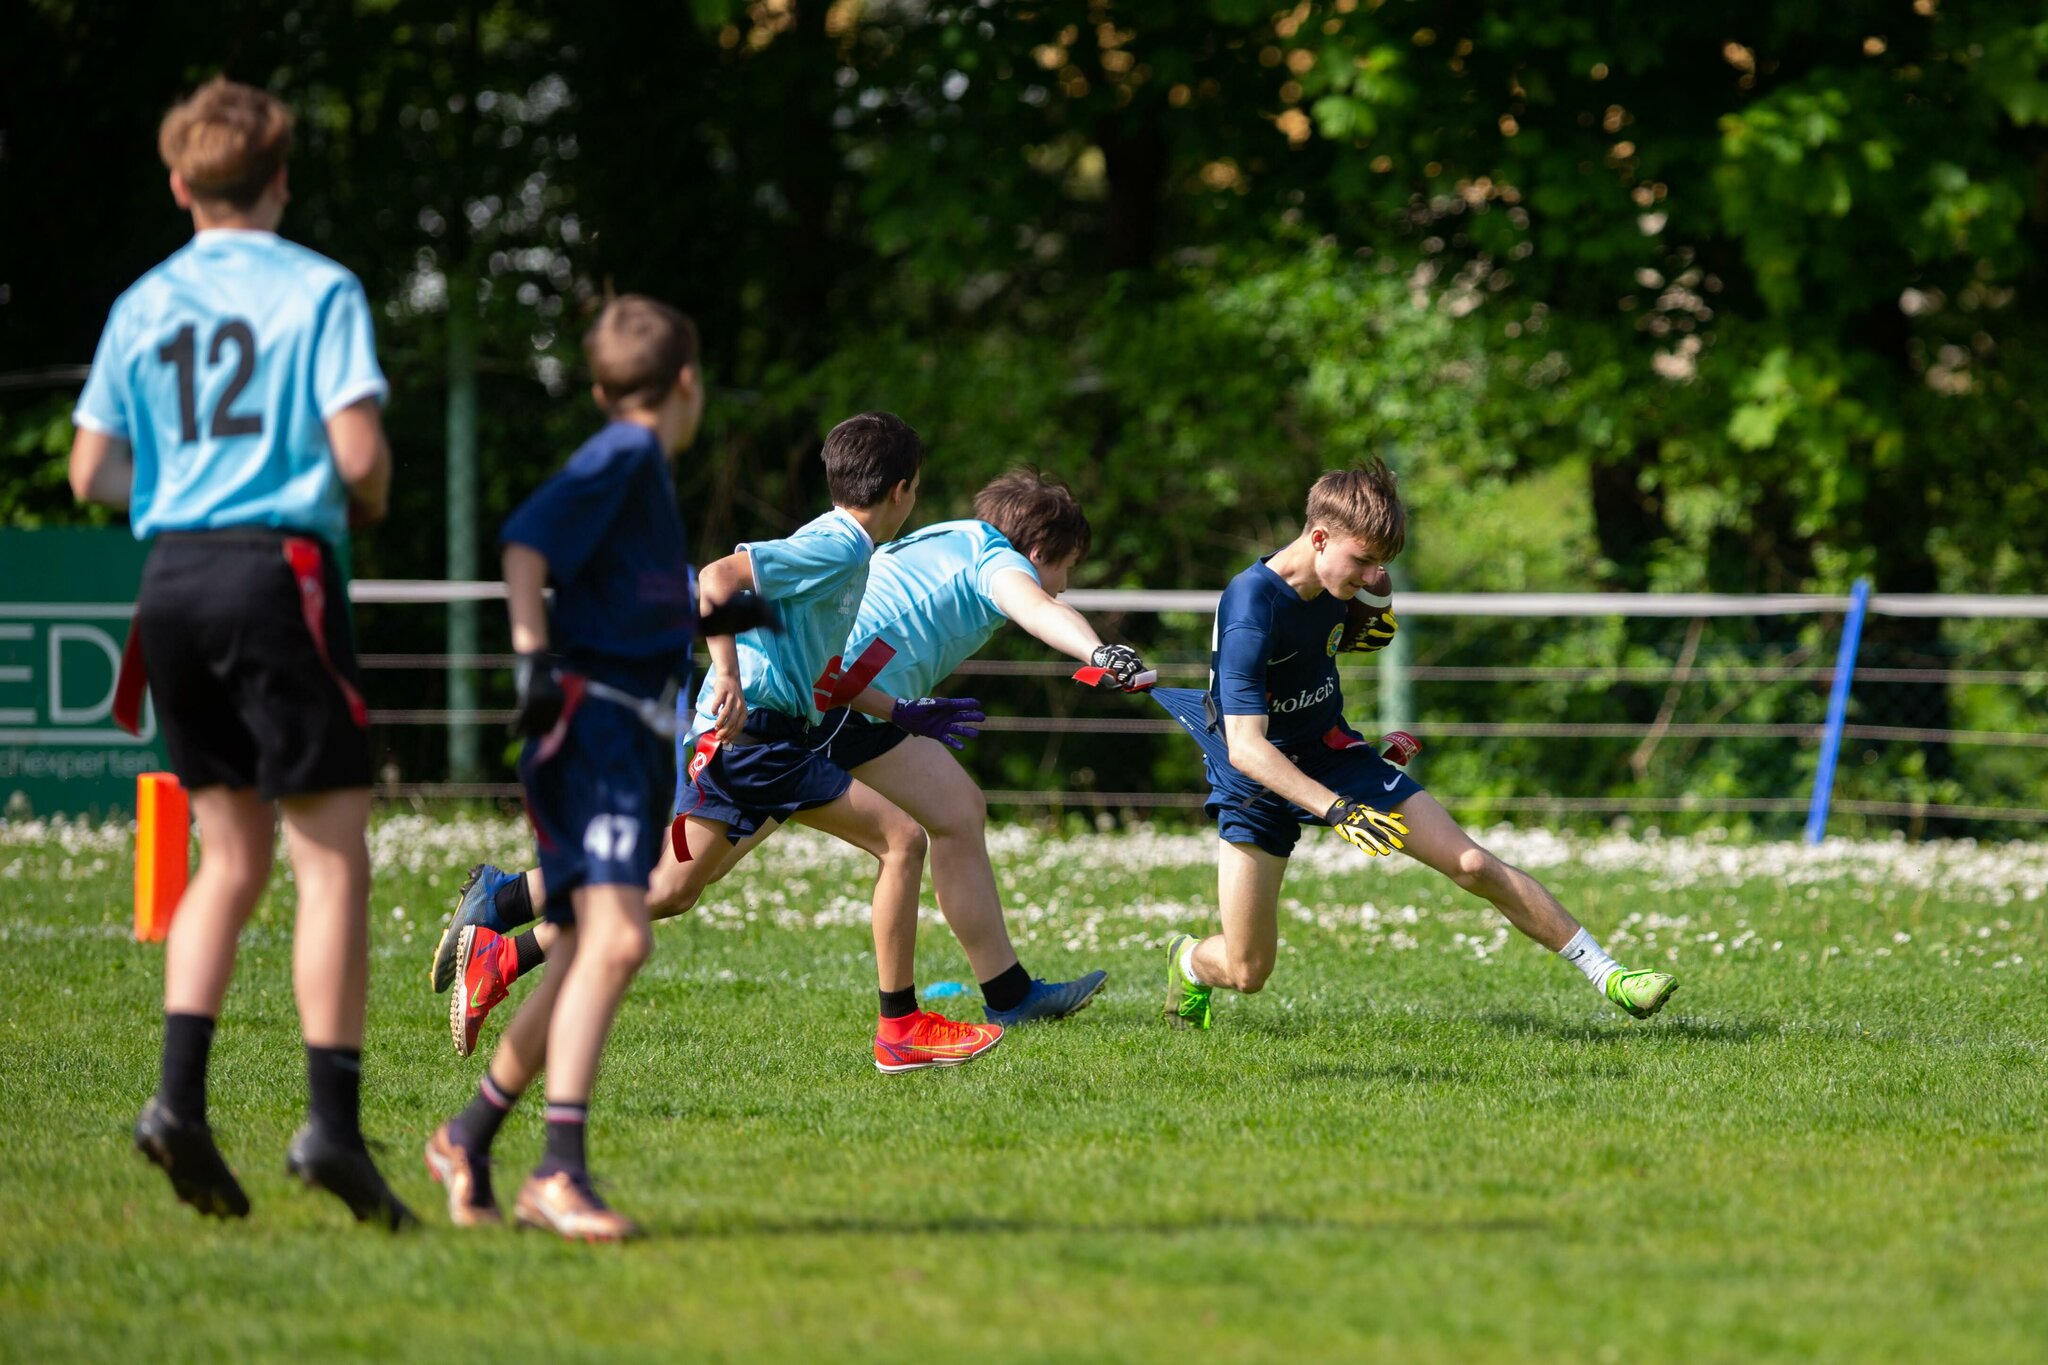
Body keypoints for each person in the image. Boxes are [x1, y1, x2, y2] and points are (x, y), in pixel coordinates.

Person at [435, 468, 1144, 1046]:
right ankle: (915, 1021)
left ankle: (509, 918)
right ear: (1040, 546)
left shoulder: (951, 537)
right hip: (816, 713)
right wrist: (1098, 649)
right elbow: (1035, 604)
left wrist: (902, 709)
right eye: (1067, 567)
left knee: (682, 883)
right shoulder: (996, 560)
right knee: (872, 843)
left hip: (843, 703)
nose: (1065, 584)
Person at [68, 76, 410, 1227]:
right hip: (279, 572)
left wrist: (177, 492)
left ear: (179, 185)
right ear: (279, 180)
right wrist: (354, 495)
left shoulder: (139, 302)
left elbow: (91, 473)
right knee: (330, 858)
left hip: (169, 580)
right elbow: (357, 457)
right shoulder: (320, 288)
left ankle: (178, 1105)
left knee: (227, 855)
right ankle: (331, 1128)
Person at [421, 294, 756, 1239]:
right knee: (616, 939)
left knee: (582, 946)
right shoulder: (626, 455)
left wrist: (732, 625)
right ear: (685, 383)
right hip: (595, 734)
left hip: (633, 736)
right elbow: (528, 539)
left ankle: (469, 1136)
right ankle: (557, 1173)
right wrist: (532, 662)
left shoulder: (645, 476)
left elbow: (644, 601)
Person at [1152, 459, 1679, 1029]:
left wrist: (1367, 612)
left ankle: (1611, 975)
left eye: (1381, 563)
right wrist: (1337, 809)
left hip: (1334, 755)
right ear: (1319, 537)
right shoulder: (1250, 607)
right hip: (1256, 777)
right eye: (1363, 561)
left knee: (1473, 863)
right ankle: (1188, 962)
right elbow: (1246, 747)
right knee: (1247, 971)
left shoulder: (1353, 577)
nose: (1373, 575)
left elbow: (1346, 618)